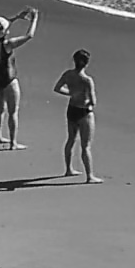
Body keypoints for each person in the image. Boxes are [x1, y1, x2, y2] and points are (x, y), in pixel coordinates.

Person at [0, 6, 38, 148]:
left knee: (0, 107)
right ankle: (13, 142)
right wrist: (34, 20)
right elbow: (29, 36)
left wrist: (16, 17)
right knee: (13, 111)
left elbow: (3, 26)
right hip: (8, 78)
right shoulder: (8, 44)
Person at [52, 49, 101, 183]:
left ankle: (68, 169)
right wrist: (86, 101)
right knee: (86, 146)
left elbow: (57, 88)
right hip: (84, 112)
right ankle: (89, 176)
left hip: (72, 109)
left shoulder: (68, 75)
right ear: (86, 63)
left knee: (71, 140)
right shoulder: (87, 80)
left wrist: (71, 93)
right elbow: (93, 101)